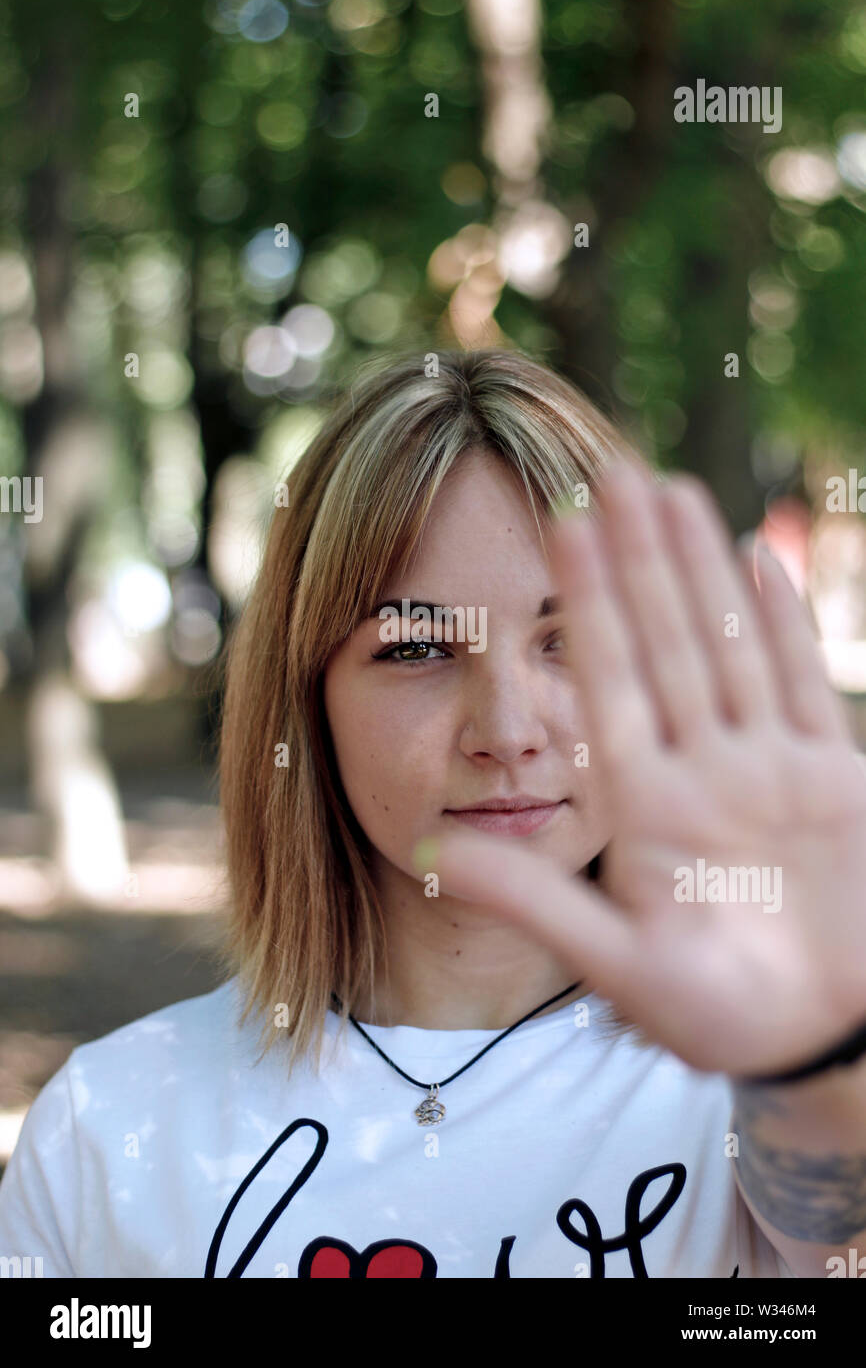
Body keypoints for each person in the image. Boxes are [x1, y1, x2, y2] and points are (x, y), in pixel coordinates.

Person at [1, 348, 865, 1279]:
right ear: (306, 698)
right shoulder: (105, 1134)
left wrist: (816, 1066)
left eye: (569, 638)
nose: (505, 730)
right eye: (417, 647)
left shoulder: (768, 1089)